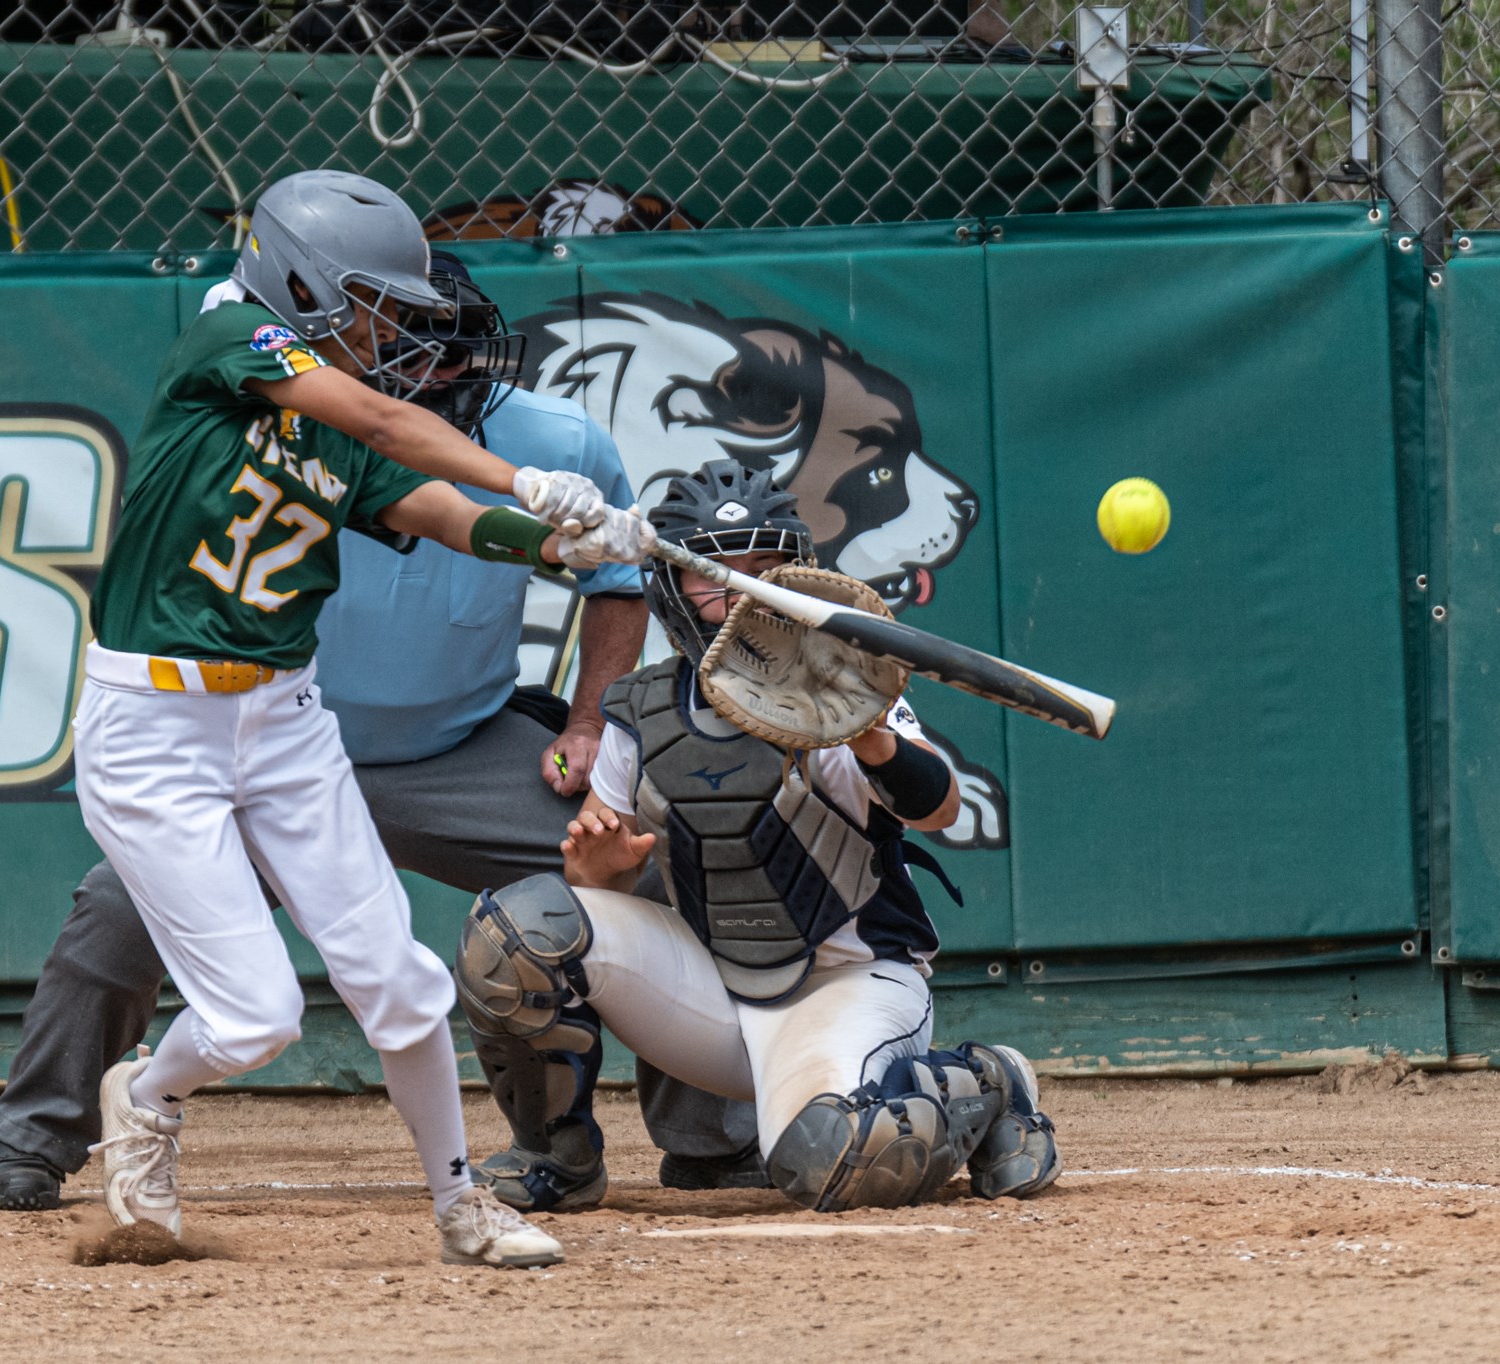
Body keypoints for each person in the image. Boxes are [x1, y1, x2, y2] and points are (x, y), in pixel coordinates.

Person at [0, 249, 764, 1219]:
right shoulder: (282, 433)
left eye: (453, 355)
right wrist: (530, 510)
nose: (436, 370)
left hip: (457, 747)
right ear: (353, 348)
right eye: (405, 348)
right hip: (275, 749)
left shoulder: (560, 438)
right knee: (117, 907)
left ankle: (709, 1138)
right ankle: (30, 1137)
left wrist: (589, 712)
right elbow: (414, 476)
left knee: (648, 852)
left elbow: (607, 585)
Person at [57, 168, 657, 1269]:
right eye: (369, 303)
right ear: (298, 281)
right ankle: (144, 1095)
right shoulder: (230, 339)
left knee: (397, 980)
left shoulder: (333, 412)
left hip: (282, 718)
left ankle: (458, 1204)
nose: (388, 328)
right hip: (155, 723)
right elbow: (389, 420)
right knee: (255, 1018)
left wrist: (562, 544)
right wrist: (530, 480)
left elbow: (431, 507)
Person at [455, 460, 1062, 1214]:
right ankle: (558, 1160)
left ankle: (990, 1083)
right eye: (715, 570)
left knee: (837, 1162)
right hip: (707, 994)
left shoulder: (842, 686)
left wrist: (870, 734)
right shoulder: (638, 713)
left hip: (851, 981)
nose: (740, 590)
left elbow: (936, 810)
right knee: (517, 929)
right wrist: (599, 872)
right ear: (674, 586)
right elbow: (603, 896)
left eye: (764, 566)